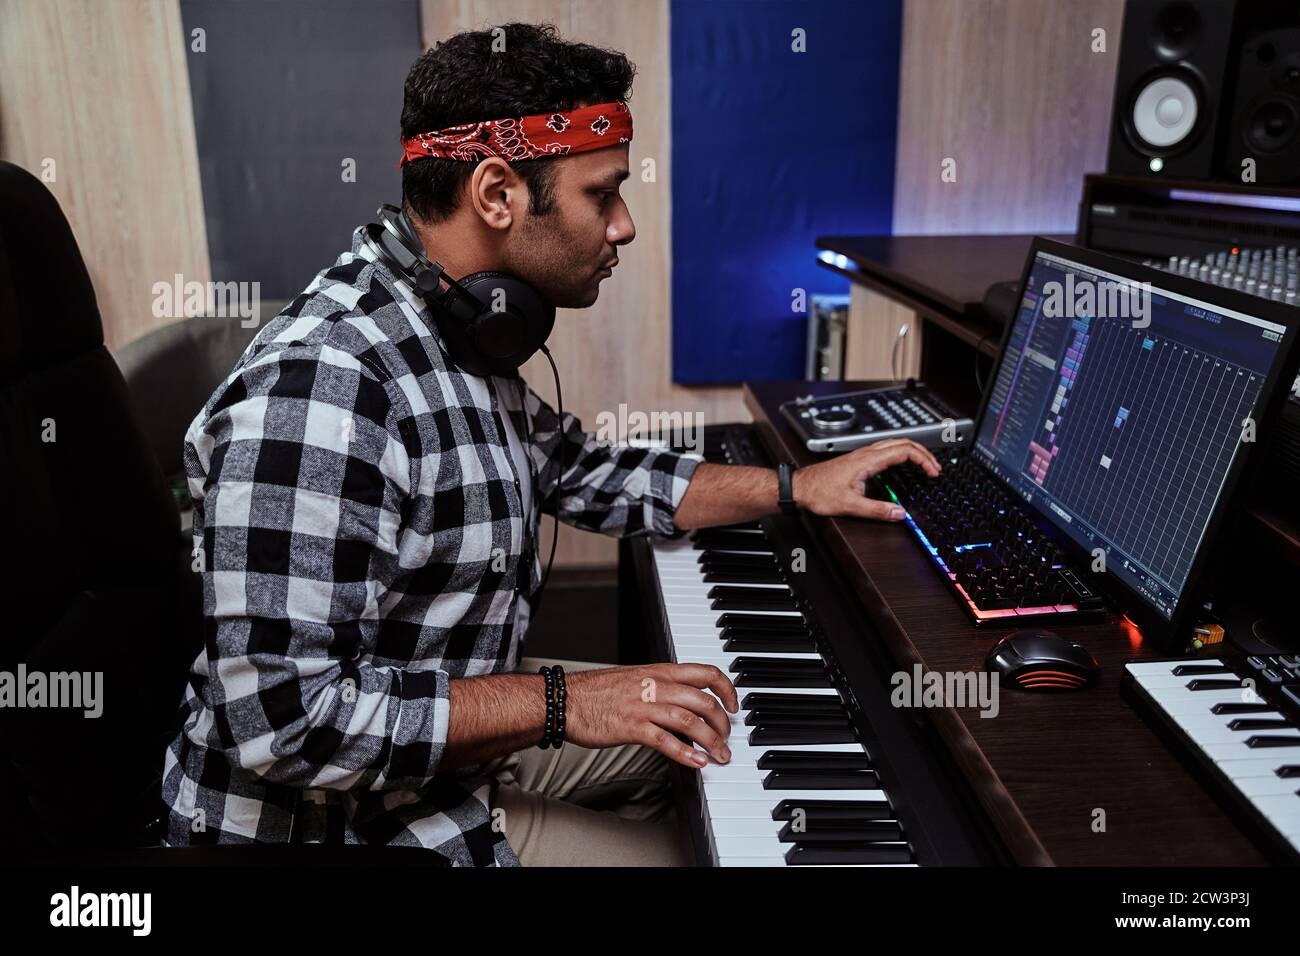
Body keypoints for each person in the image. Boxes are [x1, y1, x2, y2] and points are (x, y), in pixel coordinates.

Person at [162, 22, 940, 866]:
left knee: (705, 749)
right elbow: (285, 727)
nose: (625, 225)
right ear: (497, 194)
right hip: (340, 821)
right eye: (601, 195)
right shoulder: (322, 393)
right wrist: (566, 700)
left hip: (438, 764)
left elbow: (580, 470)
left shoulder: (455, 325)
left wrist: (795, 488)